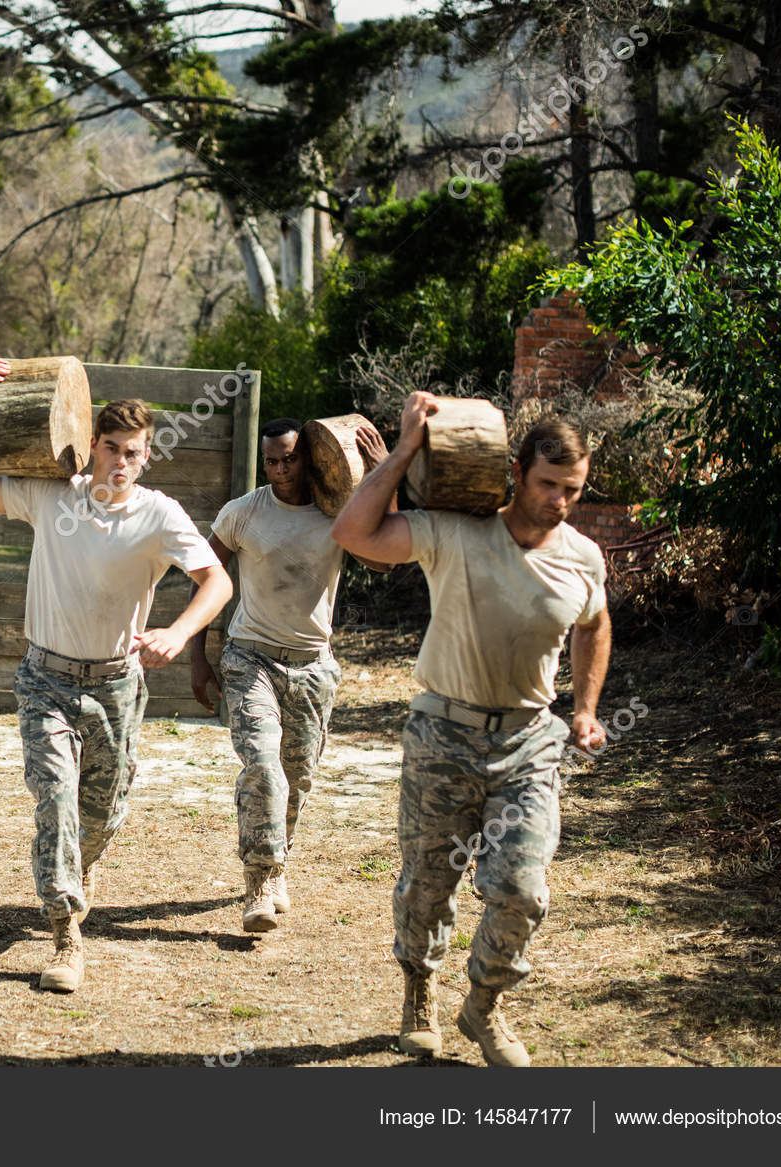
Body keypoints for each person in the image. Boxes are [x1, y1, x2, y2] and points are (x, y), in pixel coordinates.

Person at [331, 395, 611, 1067]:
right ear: (517, 471)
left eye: (572, 490)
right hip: (442, 733)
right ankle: (419, 990)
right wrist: (401, 452)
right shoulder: (454, 531)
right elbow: (354, 532)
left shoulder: (582, 557)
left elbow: (595, 626)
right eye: (548, 484)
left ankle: (484, 1005)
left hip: (528, 742)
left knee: (521, 889)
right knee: (428, 884)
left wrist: (585, 707)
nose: (559, 501)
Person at [0, 360, 233, 993]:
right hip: (45, 678)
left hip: (117, 685)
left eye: (133, 453)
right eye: (111, 449)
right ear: (93, 447)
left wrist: (179, 632)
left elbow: (218, 580)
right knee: (56, 799)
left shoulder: (161, 515)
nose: (120, 463)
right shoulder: (54, 495)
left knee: (100, 814)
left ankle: (81, 865)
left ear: (147, 455)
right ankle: (65, 932)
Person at [189, 417, 394, 934]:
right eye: (271, 461)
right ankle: (261, 877)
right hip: (249, 658)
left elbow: (387, 558)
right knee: (262, 765)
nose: (280, 469)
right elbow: (205, 582)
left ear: (312, 458)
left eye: (290, 458)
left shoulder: (339, 515)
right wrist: (197, 655)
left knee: (297, 779)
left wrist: (381, 473)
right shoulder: (243, 512)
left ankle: (279, 861)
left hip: (312, 666)